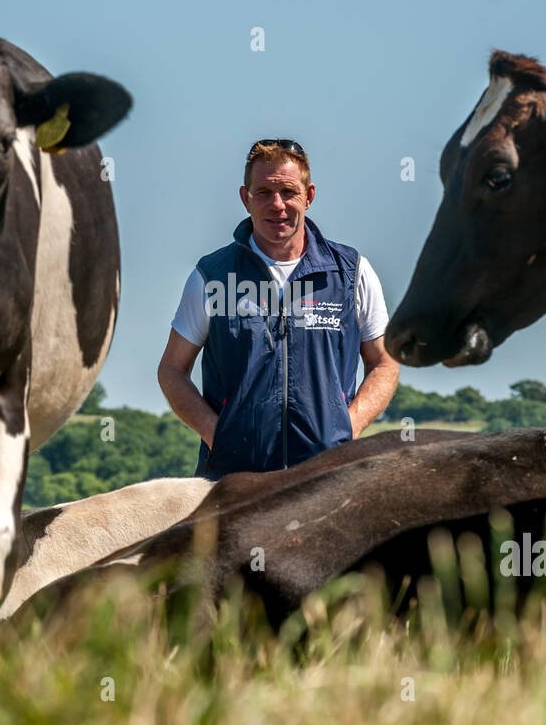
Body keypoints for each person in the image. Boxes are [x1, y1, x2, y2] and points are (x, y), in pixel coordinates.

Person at [157, 138, 399, 480]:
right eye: (263, 193)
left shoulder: (351, 271)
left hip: (326, 475)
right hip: (232, 480)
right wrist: (217, 435)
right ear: (245, 198)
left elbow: (385, 362)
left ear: (309, 196)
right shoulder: (212, 275)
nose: (277, 205)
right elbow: (171, 369)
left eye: (288, 191)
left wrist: (349, 428)